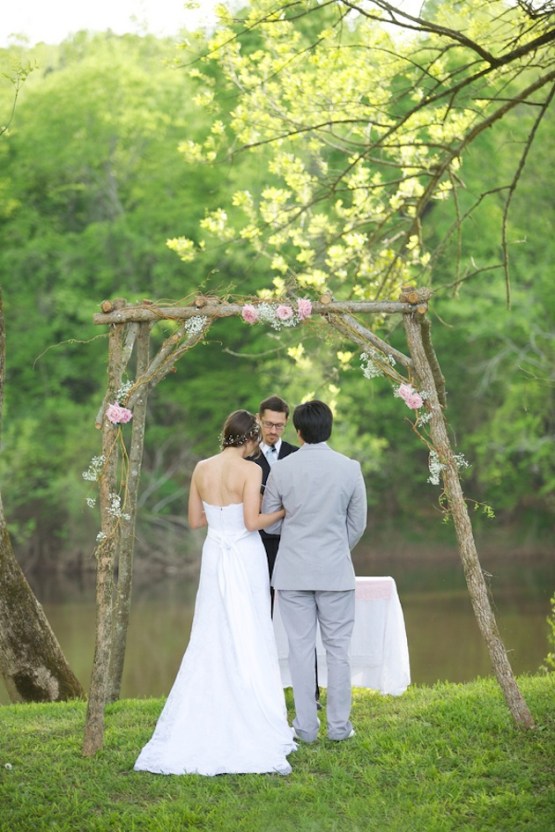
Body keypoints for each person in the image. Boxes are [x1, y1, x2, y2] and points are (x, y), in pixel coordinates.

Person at [134, 410, 296, 776]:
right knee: (252, 626)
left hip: (215, 552)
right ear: (251, 439)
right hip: (244, 553)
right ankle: (254, 705)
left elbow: (195, 521)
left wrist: (219, 515)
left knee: (212, 628)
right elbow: (253, 522)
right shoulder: (252, 471)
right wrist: (282, 512)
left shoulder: (201, 467)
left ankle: (208, 705)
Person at [262, 400, 367, 743]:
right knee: (338, 651)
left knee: (300, 650)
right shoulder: (350, 468)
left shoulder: (282, 470)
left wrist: (295, 535)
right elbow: (357, 524)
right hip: (335, 572)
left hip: (292, 572)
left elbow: (271, 524)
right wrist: (336, 548)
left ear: (299, 432)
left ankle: (305, 728)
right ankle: (339, 728)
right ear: (329, 428)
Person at [248, 395, 298, 594]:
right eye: (268, 424)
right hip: (255, 540)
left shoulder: (296, 454)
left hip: (290, 541)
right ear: (258, 419)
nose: (273, 431)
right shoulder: (246, 456)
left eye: (279, 426)